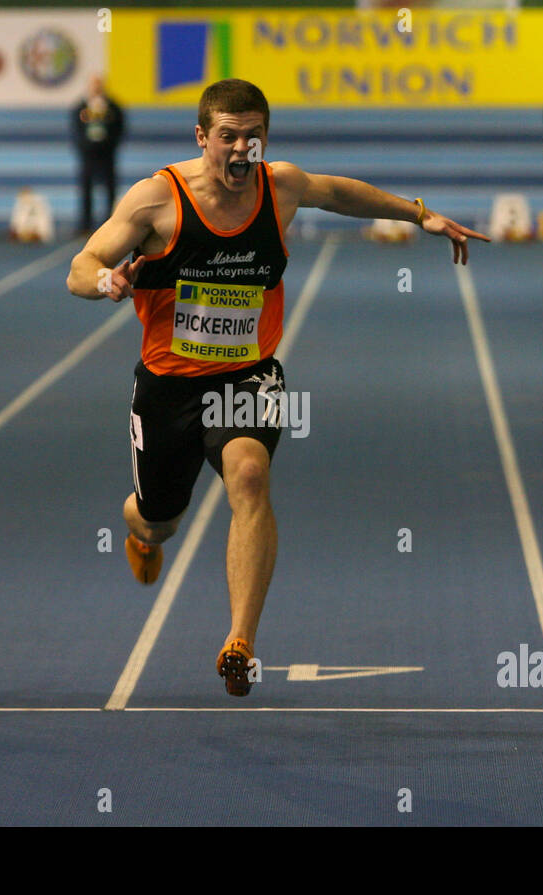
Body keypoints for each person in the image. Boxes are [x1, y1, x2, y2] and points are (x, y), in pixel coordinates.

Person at [67, 79, 488, 696]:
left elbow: (339, 193)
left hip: (247, 373)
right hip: (168, 387)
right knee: (158, 517)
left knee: (249, 476)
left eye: (254, 136)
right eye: (228, 138)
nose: (243, 151)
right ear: (202, 138)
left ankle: (241, 639)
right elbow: (79, 266)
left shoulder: (279, 186)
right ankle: (141, 532)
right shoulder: (157, 199)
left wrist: (419, 214)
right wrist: (106, 282)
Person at [72, 75, 125, 235]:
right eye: (93, 85)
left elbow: (120, 129)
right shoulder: (80, 107)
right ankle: (85, 224)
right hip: (88, 156)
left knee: (110, 189)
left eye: (98, 85)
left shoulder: (113, 107)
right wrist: (85, 146)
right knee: (86, 189)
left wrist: (109, 144)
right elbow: (76, 130)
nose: (95, 88)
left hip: (107, 155)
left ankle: (111, 223)